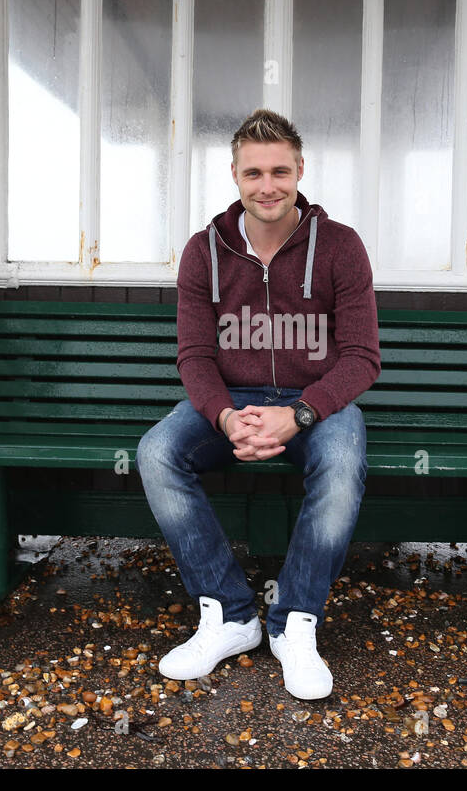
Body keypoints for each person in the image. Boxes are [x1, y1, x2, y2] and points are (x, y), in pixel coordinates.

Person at [136, 109, 380, 700]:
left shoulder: (341, 247)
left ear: (300, 170)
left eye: (279, 171)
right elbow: (195, 357)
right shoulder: (204, 251)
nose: (266, 186)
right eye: (253, 173)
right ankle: (230, 615)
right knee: (157, 453)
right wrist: (224, 416)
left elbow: (361, 358)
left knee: (343, 465)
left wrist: (299, 414)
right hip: (232, 403)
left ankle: (296, 622)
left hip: (315, 405)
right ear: (234, 176)